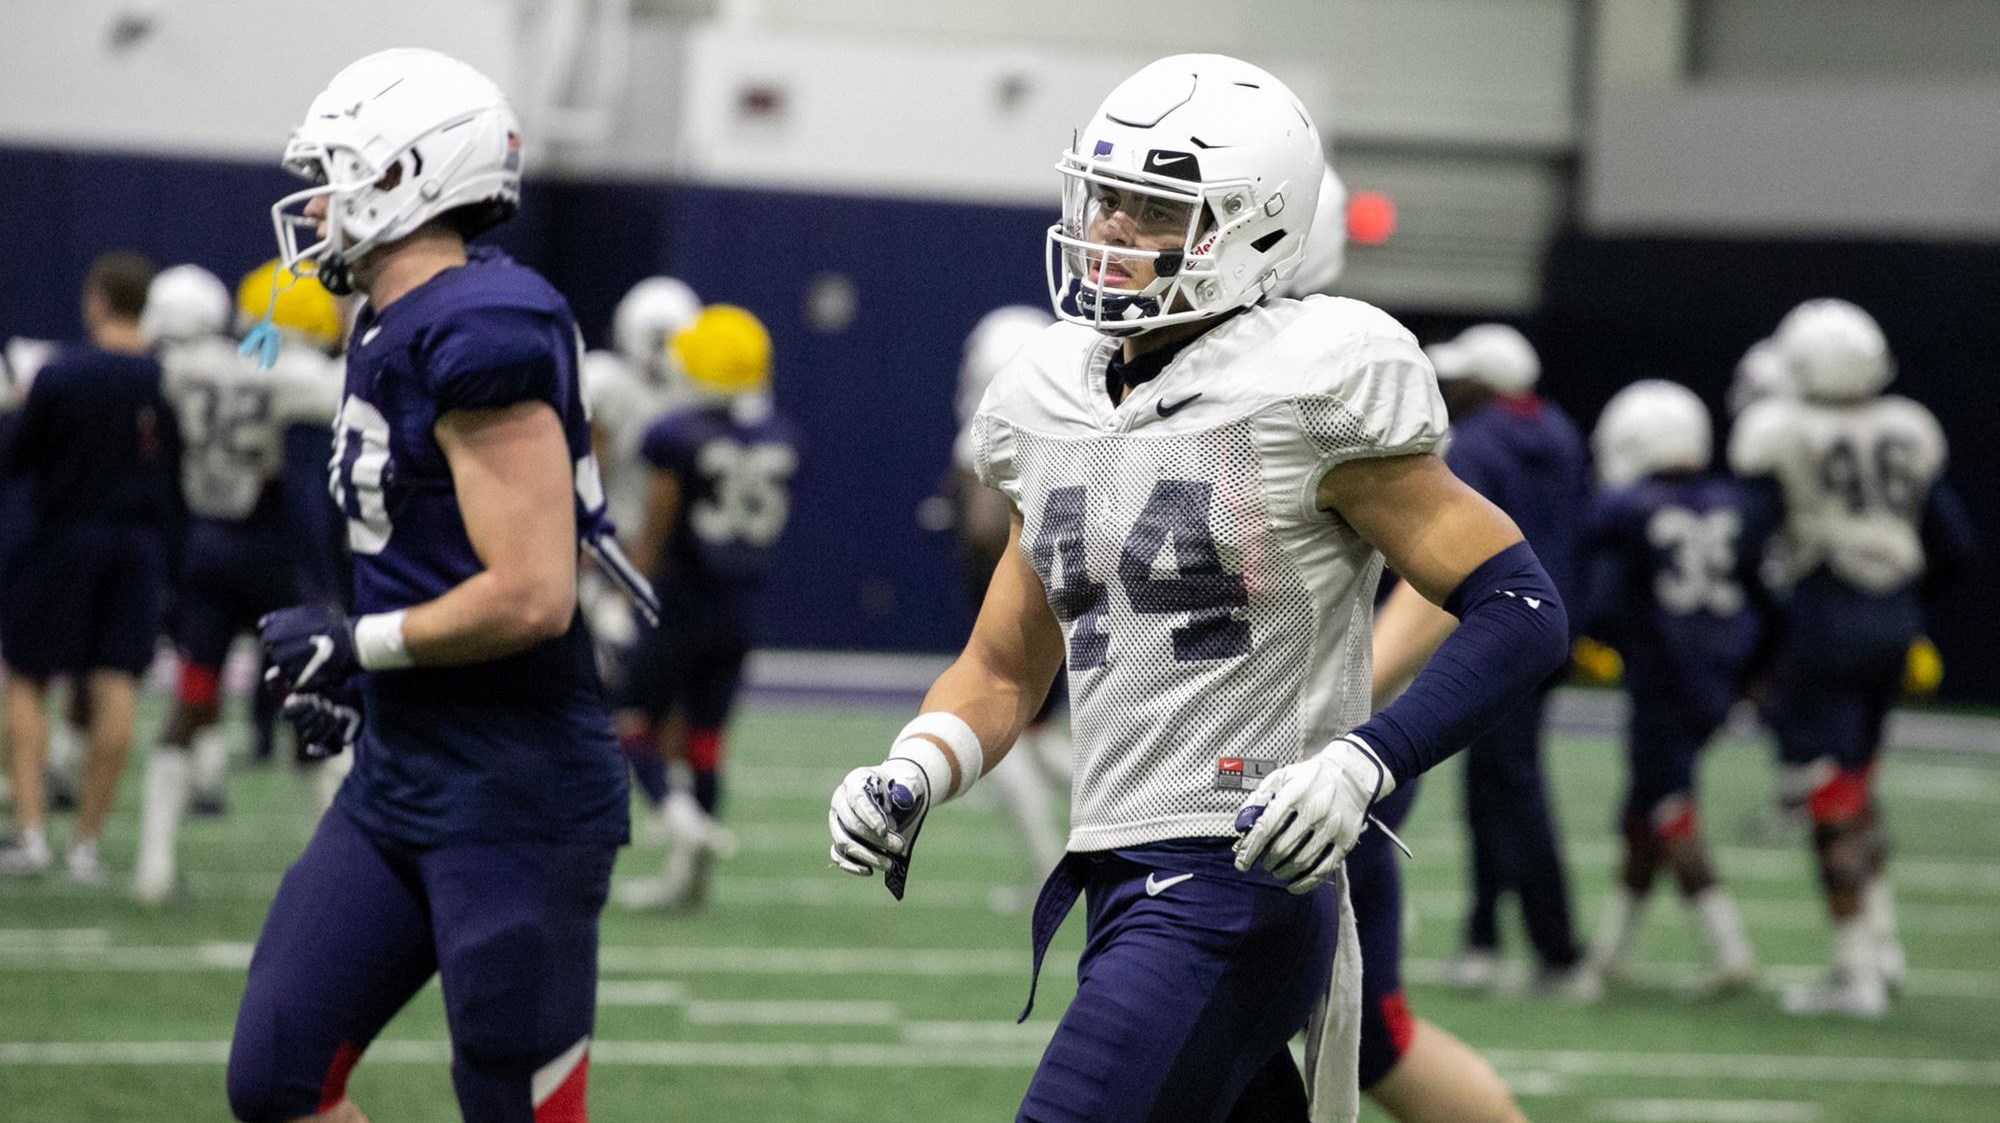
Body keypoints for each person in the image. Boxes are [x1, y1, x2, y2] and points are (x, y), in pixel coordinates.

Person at [826, 53, 1569, 1122]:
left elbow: (1521, 605)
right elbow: (1000, 666)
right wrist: (911, 769)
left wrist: (1368, 758)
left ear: (1252, 228)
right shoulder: (1054, 394)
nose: (1112, 230)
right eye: (1105, 197)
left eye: (1153, 208)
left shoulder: (1310, 384)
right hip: (1119, 872)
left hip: (1240, 868)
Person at [226, 48, 653, 1123]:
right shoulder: (387, 319)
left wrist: (356, 644)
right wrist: (367, 677)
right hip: (402, 774)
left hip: (516, 793)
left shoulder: (480, 325)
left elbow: (530, 594)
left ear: (404, 174)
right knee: (276, 1080)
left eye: (333, 174)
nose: (314, 203)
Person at [1288, 171, 1529, 1123]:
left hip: (1317, 741)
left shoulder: (1342, 375)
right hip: (1235, 743)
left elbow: (1472, 584)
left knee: (1362, 1031)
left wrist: (1353, 728)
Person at [1729, 299, 1977, 1018]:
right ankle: (1880, 942)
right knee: (1857, 784)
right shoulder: (1908, 427)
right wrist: (1904, 609)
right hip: (1894, 614)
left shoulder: (1782, 429)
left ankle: (1855, 972)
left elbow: (1749, 546)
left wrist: (1777, 619)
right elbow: (1955, 545)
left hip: (1826, 610)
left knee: (1826, 789)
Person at [132, 260, 347, 905]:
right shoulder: (299, 372)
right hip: (273, 555)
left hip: (204, 551)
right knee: (316, 712)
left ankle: (154, 865)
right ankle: (336, 875)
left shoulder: (192, 366)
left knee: (193, 702)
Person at [1421, 323, 1592, 995]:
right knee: (1496, 784)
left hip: (1496, 628)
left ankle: (1558, 949)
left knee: (1511, 789)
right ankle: (1485, 935)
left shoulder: (1479, 441)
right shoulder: (1559, 430)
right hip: (1551, 626)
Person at [1577, 379, 1764, 993]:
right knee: (1645, 812)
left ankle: (1731, 947)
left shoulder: (1629, 511)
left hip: (1664, 672)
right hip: (1721, 669)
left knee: (1667, 808)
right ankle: (1609, 954)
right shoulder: (1730, 502)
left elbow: (1605, 605)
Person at [615, 304, 799, 911]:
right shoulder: (779, 437)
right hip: (741, 608)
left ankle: (679, 819)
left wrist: (630, 581)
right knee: (704, 741)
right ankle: (689, 883)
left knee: (630, 723)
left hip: (680, 599)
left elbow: (657, 527)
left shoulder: (675, 435)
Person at [0, 251, 177, 882]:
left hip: (63, 538)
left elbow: (18, 458)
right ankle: (86, 847)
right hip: (138, 547)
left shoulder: (61, 375)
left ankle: (30, 834)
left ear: (97, 300)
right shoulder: (164, 378)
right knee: (117, 683)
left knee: (24, 677)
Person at [943, 304, 1068, 904]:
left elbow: (988, 535)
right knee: (1042, 743)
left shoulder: (996, 450)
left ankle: (1051, 863)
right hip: (1062, 608)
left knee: (1007, 740)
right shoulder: (1067, 434)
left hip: (1027, 616)